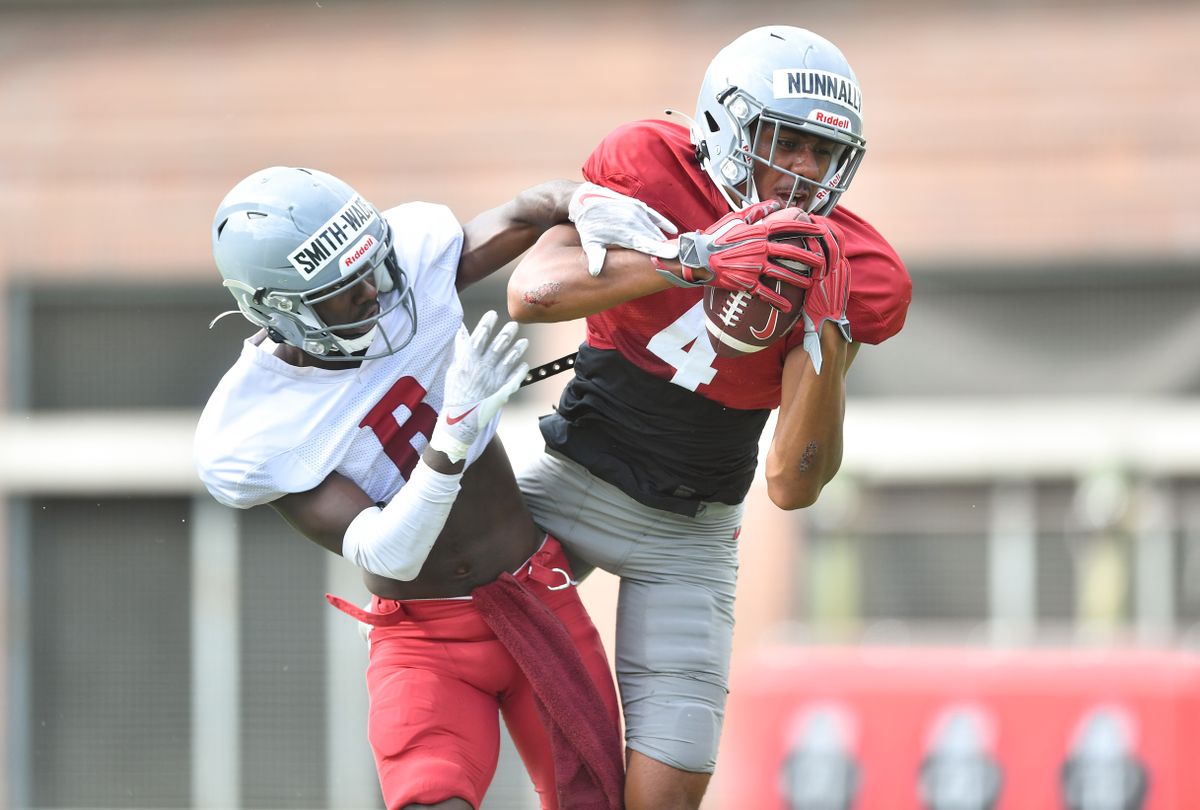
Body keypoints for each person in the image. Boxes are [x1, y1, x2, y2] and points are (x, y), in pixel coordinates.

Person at [505, 26, 913, 810]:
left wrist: (826, 327)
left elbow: (793, 485)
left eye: (824, 153)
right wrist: (693, 257)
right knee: (443, 645)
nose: (805, 170)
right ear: (727, 125)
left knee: (663, 796)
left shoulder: (851, 267)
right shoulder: (649, 166)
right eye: (787, 142)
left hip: (689, 538)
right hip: (566, 488)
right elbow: (533, 293)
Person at [193, 166, 626, 810]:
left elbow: (528, 210)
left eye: (373, 269)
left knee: (594, 801)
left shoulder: (409, 266)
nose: (372, 292)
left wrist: (586, 201)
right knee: (429, 798)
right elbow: (388, 553)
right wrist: (453, 434)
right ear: (279, 310)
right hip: (425, 637)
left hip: (538, 596)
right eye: (343, 290)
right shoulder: (257, 427)